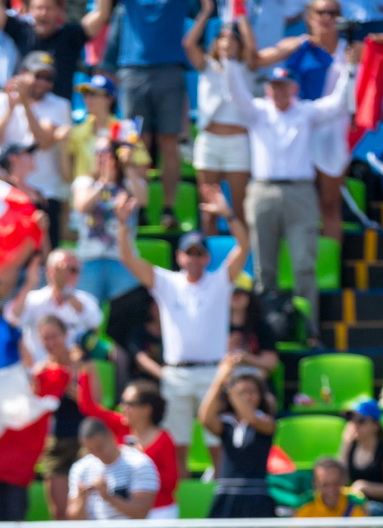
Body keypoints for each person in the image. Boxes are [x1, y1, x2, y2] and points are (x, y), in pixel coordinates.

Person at [118, 188, 250, 476]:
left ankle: (219, 497)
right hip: (176, 374)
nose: (194, 259)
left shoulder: (220, 280)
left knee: (218, 442)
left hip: (212, 372)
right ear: (179, 257)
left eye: (199, 254)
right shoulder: (167, 282)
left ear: (207, 258)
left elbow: (244, 246)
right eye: (189, 253)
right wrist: (123, 223)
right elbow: (128, 257)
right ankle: (180, 497)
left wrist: (228, 214)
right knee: (178, 445)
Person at [253, 4, 383, 244]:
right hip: (301, 128)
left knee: (330, 204)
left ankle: (330, 259)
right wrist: (286, 47)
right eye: (321, 12)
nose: (326, 18)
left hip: (335, 131)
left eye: (332, 13)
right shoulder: (297, 45)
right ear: (309, 17)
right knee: (298, 202)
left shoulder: (352, 48)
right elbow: (256, 61)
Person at [224, 59, 349, 334]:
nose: (279, 92)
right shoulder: (258, 111)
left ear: (294, 88)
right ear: (267, 89)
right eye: (274, 86)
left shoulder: (305, 111)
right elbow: (236, 93)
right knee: (264, 268)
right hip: (263, 189)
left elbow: (338, 105)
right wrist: (230, 61)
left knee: (304, 264)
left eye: (284, 86)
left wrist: (348, 71)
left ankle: (309, 329)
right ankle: (264, 331)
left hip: (300, 191)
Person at [77, 371, 179, 528]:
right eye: (122, 402)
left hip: (158, 513)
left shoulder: (164, 439)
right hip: (125, 514)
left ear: (146, 409)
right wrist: (85, 368)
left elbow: (172, 482)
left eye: (129, 403)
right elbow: (89, 408)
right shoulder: (121, 427)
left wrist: (142, 463)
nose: (123, 407)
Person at [198, 358, 277, 528]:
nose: (247, 397)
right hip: (226, 498)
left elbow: (251, 417)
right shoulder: (227, 424)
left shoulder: (266, 422)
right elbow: (204, 417)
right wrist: (220, 378)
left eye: (252, 392)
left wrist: (232, 389)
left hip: (256, 499)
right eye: (242, 392)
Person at [0, 52, 72, 245]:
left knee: (45, 252)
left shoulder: (59, 105)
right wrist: (12, 108)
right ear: (22, 74)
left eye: (49, 78)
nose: (43, 83)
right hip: (7, 192)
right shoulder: (0, 101)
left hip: (45, 195)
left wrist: (26, 106)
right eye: (38, 76)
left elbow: (43, 141)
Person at [116, 0, 188, 232]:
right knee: (137, 143)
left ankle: (168, 209)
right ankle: (139, 207)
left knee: (169, 143)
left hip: (170, 69)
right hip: (133, 69)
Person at [183, 2, 253, 233]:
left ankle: (245, 251)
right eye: (222, 37)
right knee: (209, 210)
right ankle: (210, 252)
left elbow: (251, 48)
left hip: (238, 143)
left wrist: (239, 13)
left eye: (232, 38)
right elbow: (188, 43)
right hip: (209, 142)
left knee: (241, 209)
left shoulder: (247, 67)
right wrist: (205, 12)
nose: (227, 42)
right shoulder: (207, 66)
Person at [0, 0, 113, 101]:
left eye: (48, 8)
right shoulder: (21, 31)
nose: (43, 13)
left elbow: (101, 14)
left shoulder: (71, 35)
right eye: (38, 8)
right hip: (25, 107)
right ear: (29, 10)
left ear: (59, 11)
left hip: (58, 114)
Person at [70, 137, 147, 303]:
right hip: (89, 259)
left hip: (123, 260)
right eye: (96, 153)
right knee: (88, 312)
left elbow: (142, 199)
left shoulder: (130, 183)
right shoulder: (85, 182)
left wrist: (127, 167)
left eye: (105, 153)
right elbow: (82, 206)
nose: (99, 157)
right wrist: (103, 182)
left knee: (125, 313)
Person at [30, 313, 84, 521]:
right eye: (45, 338)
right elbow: (35, 410)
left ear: (65, 334)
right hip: (55, 442)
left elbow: (94, 402)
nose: (51, 343)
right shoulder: (41, 370)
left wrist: (70, 382)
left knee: (83, 509)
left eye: (55, 336)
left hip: (83, 441)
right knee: (60, 512)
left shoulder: (81, 363)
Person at [6, 247, 101, 364]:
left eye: (74, 270)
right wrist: (29, 283)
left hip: (72, 369)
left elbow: (94, 321)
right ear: (49, 270)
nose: (67, 274)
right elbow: (11, 318)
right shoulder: (33, 298)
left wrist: (66, 291)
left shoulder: (86, 300)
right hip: (39, 369)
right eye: (62, 269)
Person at [340, 399, 383, 515]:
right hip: (354, 505)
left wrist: (365, 487)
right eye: (351, 419)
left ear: (376, 425)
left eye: (361, 420)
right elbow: (339, 479)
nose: (354, 424)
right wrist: (345, 445)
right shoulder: (350, 448)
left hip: (380, 508)